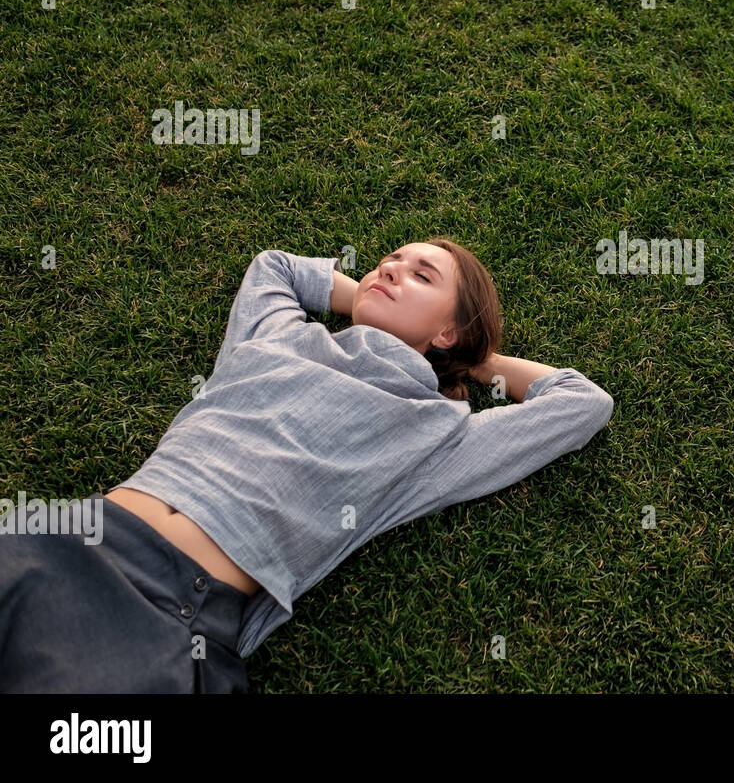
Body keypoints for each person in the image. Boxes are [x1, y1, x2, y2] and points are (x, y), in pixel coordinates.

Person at [0, 239, 614, 692]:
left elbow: (583, 404)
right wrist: (370, 301)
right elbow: (276, 266)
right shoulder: (277, 332)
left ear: (449, 330)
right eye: (388, 263)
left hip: (167, 610)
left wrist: (477, 362)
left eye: (420, 276)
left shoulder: (436, 433)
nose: (391, 271)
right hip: (66, 536)